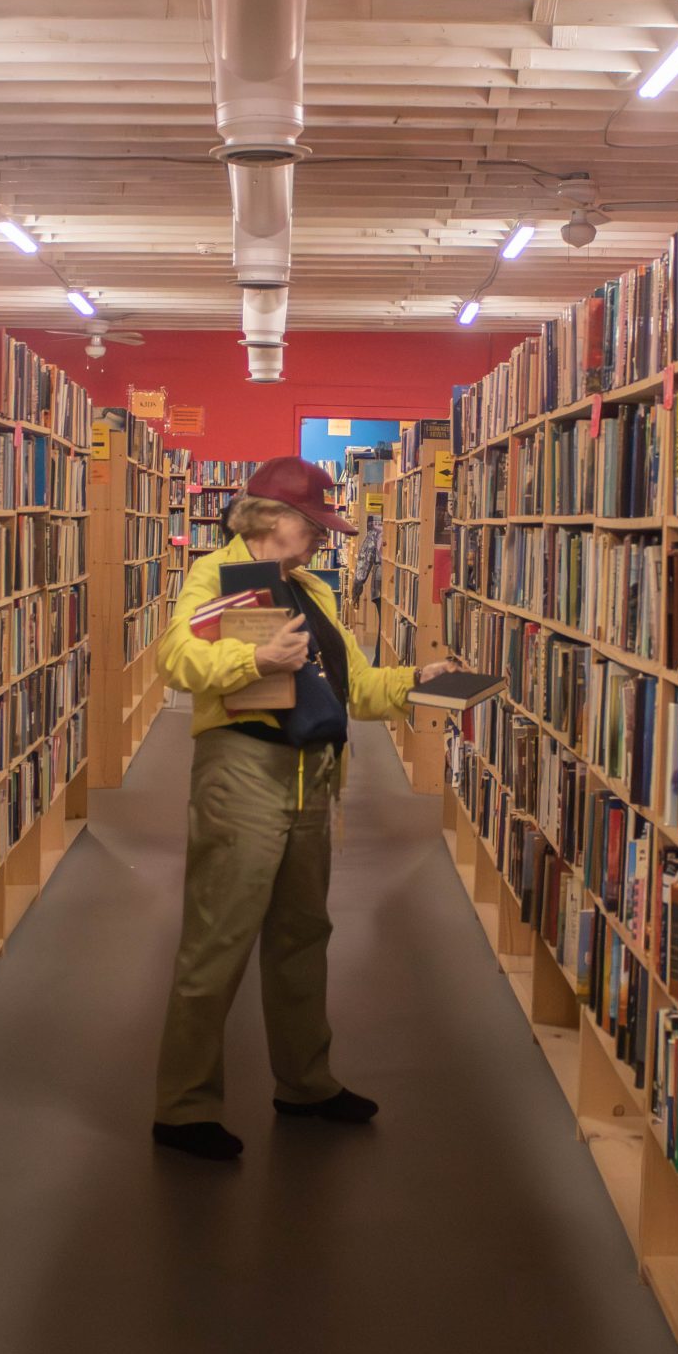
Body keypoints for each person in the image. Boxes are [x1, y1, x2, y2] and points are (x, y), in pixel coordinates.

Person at [150, 456, 458, 1161]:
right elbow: (175, 659)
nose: (323, 537)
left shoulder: (312, 588)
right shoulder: (217, 575)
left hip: (313, 775)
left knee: (303, 935)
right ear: (269, 518)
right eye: (313, 524)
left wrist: (421, 681)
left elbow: (354, 687)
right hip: (243, 769)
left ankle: (305, 1083)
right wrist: (253, 663)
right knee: (218, 938)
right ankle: (184, 1106)